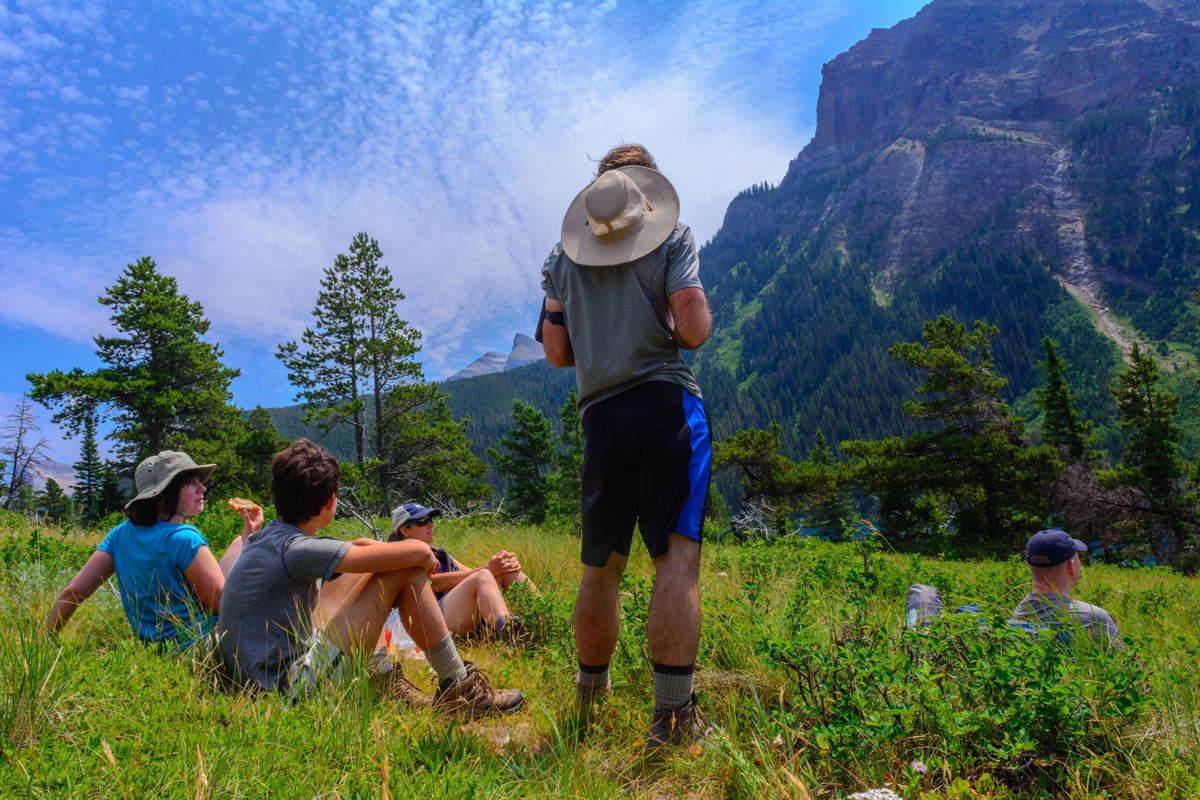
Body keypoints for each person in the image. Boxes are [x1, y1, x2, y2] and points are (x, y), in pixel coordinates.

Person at [538, 143, 713, 752]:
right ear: (645, 191)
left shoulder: (562, 260)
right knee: (675, 559)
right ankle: (670, 720)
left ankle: (591, 701)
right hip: (665, 406)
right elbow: (691, 329)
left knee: (601, 567)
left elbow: (557, 352)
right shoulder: (674, 239)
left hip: (601, 418)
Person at [217, 439, 523, 717]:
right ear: (330, 502)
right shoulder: (298, 549)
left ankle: (382, 680)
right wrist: (425, 557)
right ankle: (461, 689)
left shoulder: (271, 538)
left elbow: (360, 547)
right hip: (288, 690)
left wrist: (403, 555)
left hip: (260, 677)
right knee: (403, 570)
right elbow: (414, 553)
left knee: (366, 565)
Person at [46, 450, 263, 648]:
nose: (202, 488)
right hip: (203, 646)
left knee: (239, 542)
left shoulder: (120, 534)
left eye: (200, 481)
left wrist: (48, 640)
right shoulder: (184, 538)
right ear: (161, 496)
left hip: (157, 649)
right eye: (190, 483)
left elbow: (74, 591)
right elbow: (224, 607)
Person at [388, 502, 537, 645]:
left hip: (452, 609)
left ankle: (544, 619)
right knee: (483, 576)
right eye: (422, 522)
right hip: (430, 619)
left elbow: (472, 574)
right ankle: (512, 634)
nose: (430, 524)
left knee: (506, 572)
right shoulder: (400, 556)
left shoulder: (439, 554)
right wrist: (489, 569)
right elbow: (434, 583)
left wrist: (502, 567)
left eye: (430, 520)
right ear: (404, 530)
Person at [1008, 528, 1123, 649]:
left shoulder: (1017, 615)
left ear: (1028, 565)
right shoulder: (1095, 619)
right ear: (1071, 567)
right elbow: (1125, 665)